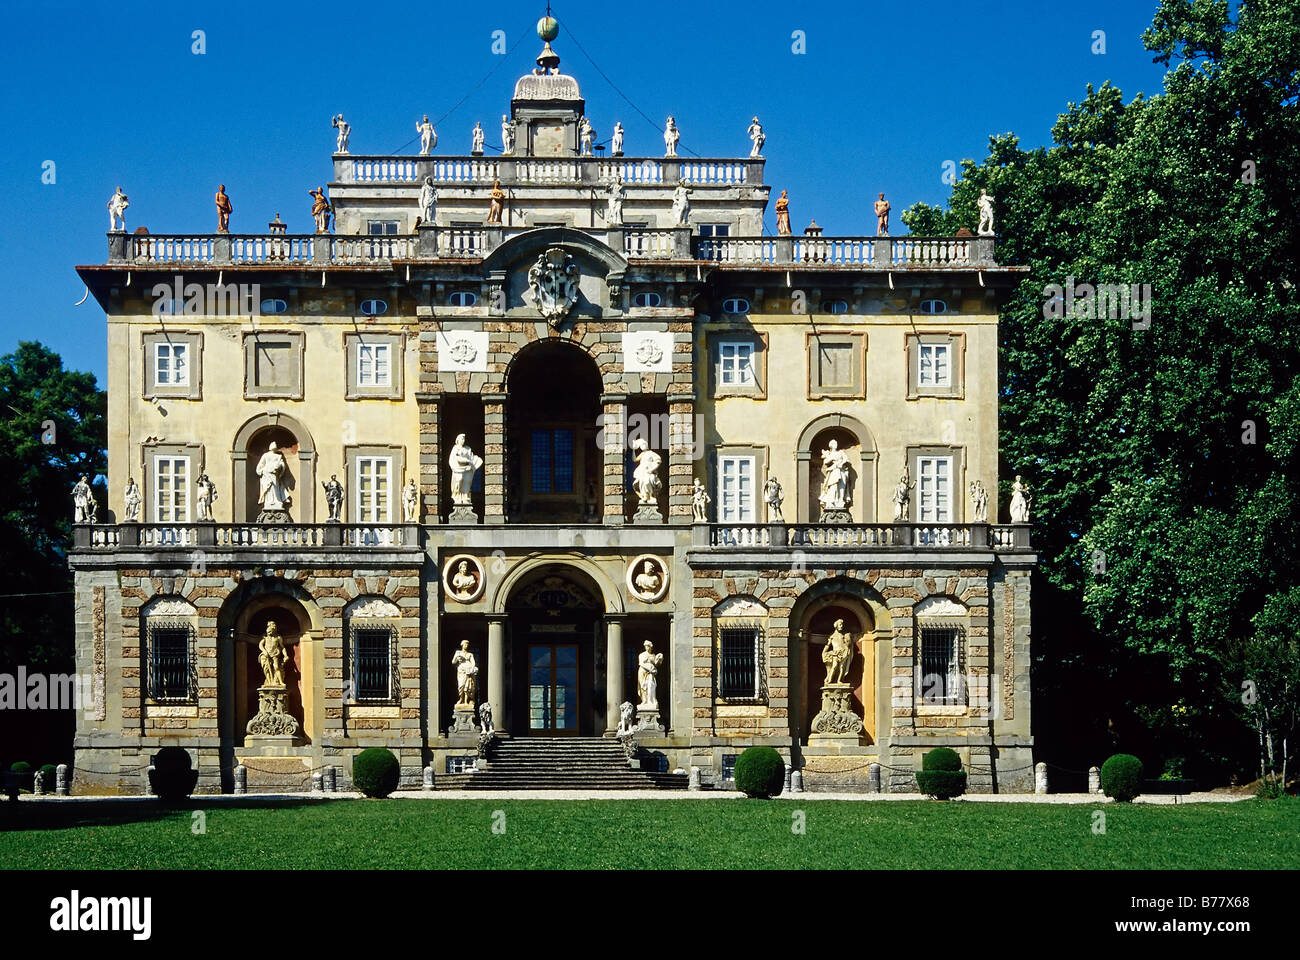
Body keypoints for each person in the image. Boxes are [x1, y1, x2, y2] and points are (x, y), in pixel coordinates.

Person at [448, 434, 483, 505]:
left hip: (467, 469)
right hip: (458, 469)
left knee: (467, 482)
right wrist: (465, 460)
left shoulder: (468, 448)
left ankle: (465, 497)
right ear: (457, 440)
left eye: (463, 439)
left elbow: (471, 457)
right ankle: (457, 497)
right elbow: (453, 459)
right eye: (461, 439)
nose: (463, 441)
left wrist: (476, 460)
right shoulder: (455, 448)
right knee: (459, 480)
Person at [256, 441, 290, 512]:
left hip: (275, 475)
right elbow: (259, 467)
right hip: (267, 475)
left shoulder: (278, 456)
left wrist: (280, 466)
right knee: (269, 489)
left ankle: (276, 501)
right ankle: (269, 502)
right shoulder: (265, 455)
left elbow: (283, 465)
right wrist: (263, 471)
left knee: (275, 488)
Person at [822, 619, 853, 685]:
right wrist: (824, 652)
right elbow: (828, 645)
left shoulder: (844, 635)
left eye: (842, 625)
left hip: (843, 653)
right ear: (836, 626)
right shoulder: (832, 636)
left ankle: (839, 680)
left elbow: (848, 644)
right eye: (840, 625)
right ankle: (829, 680)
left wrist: (848, 640)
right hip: (835, 653)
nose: (841, 626)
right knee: (834, 666)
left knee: (842, 667)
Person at [257, 620, 288, 687]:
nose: (269, 633)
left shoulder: (278, 638)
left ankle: (280, 682)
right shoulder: (265, 638)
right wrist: (264, 651)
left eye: (270, 631)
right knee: (266, 669)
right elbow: (260, 645)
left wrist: (285, 655)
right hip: (266, 655)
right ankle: (269, 681)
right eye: (268, 631)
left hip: (275, 654)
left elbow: (282, 647)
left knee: (276, 667)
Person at [637, 641, 663, 708]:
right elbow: (641, 663)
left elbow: (656, 664)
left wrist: (660, 658)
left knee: (650, 686)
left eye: (648, 646)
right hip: (643, 671)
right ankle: (644, 701)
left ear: (651, 647)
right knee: (643, 686)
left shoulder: (653, 655)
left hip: (651, 673)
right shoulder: (642, 655)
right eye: (646, 646)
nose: (647, 648)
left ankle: (651, 701)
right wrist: (650, 669)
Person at [452, 639, 478, 705]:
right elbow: (453, 662)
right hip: (461, 671)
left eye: (467, 644)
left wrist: (472, 669)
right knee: (461, 686)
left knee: (467, 686)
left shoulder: (470, 654)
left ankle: (466, 701)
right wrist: (457, 657)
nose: (466, 646)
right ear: (462, 645)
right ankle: (461, 699)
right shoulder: (458, 652)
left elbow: (473, 663)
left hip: (468, 671)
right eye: (465, 644)